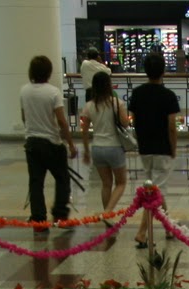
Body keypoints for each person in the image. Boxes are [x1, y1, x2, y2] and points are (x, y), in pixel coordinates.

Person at [128, 51, 180, 249]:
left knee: (155, 187)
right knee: (155, 192)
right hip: (162, 149)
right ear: (163, 70)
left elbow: (133, 120)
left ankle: (168, 228)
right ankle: (142, 232)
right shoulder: (168, 96)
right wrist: (173, 148)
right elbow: (172, 126)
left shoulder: (138, 93)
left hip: (145, 148)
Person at [20, 54, 77, 226]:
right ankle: (60, 214)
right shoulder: (53, 92)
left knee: (36, 182)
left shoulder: (24, 91)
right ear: (49, 72)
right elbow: (61, 121)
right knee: (62, 178)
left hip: (31, 142)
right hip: (51, 143)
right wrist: (71, 144)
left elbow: (24, 117)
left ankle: (38, 219)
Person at [80, 71, 130, 213]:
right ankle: (108, 211)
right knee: (121, 183)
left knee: (106, 184)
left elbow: (84, 131)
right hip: (114, 147)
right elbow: (125, 123)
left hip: (97, 148)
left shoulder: (89, 106)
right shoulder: (117, 103)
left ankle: (108, 218)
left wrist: (86, 151)